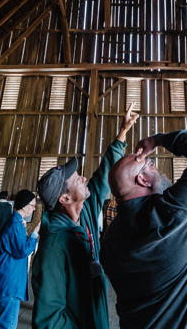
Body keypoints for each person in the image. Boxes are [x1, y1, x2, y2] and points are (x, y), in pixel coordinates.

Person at [101, 129, 187, 329]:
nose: (154, 164)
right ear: (143, 180)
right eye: (148, 163)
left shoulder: (109, 243)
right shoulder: (176, 210)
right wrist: (157, 140)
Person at [31, 104, 139, 329]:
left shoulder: (86, 210)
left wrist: (123, 132)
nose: (83, 178)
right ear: (65, 199)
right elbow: (48, 321)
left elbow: (103, 175)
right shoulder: (53, 247)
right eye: (76, 178)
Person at [0, 189, 40, 329]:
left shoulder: (18, 222)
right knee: (7, 325)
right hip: (10, 283)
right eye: (32, 205)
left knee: (0, 322)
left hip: (9, 280)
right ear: (24, 205)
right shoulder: (15, 224)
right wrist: (35, 234)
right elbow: (22, 250)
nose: (34, 208)